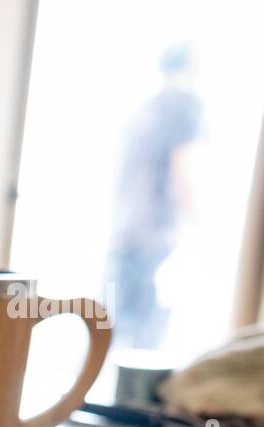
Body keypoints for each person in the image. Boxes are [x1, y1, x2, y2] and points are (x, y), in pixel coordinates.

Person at [106, 44, 202, 351]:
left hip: (125, 228)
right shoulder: (185, 107)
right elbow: (182, 167)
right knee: (147, 334)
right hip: (156, 232)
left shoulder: (143, 108)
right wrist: (197, 225)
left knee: (114, 321)